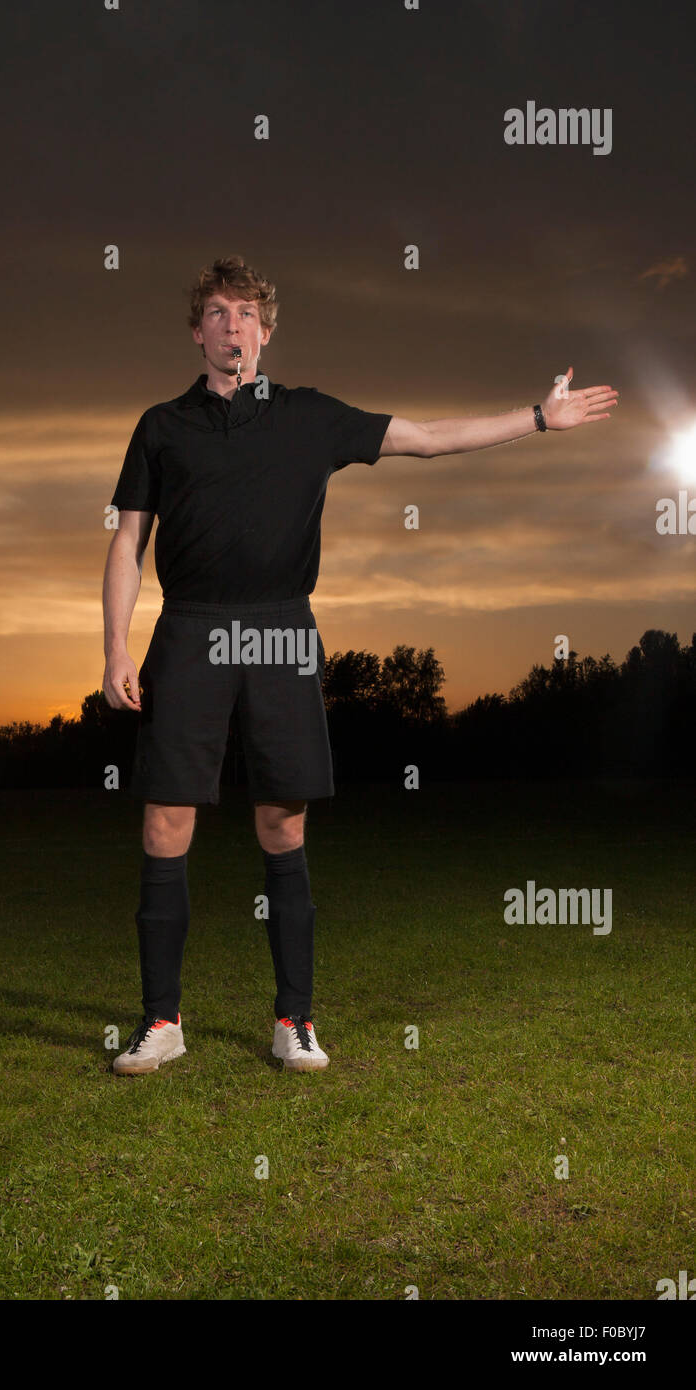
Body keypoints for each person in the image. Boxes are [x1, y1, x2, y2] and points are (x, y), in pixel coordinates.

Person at [102, 254, 618, 1075]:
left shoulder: (311, 417)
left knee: (285, 821)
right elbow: (129, 541)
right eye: (217, 311)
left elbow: (427, 439)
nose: (231, 324)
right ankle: (161, 1021)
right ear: (197, 329)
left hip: (280, 634)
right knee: (166, 823)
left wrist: (538, 418)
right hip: (190, 631)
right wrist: (117, 646)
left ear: (266, 333)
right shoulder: (161, 426)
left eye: (246, 313)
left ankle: (293, 1021)